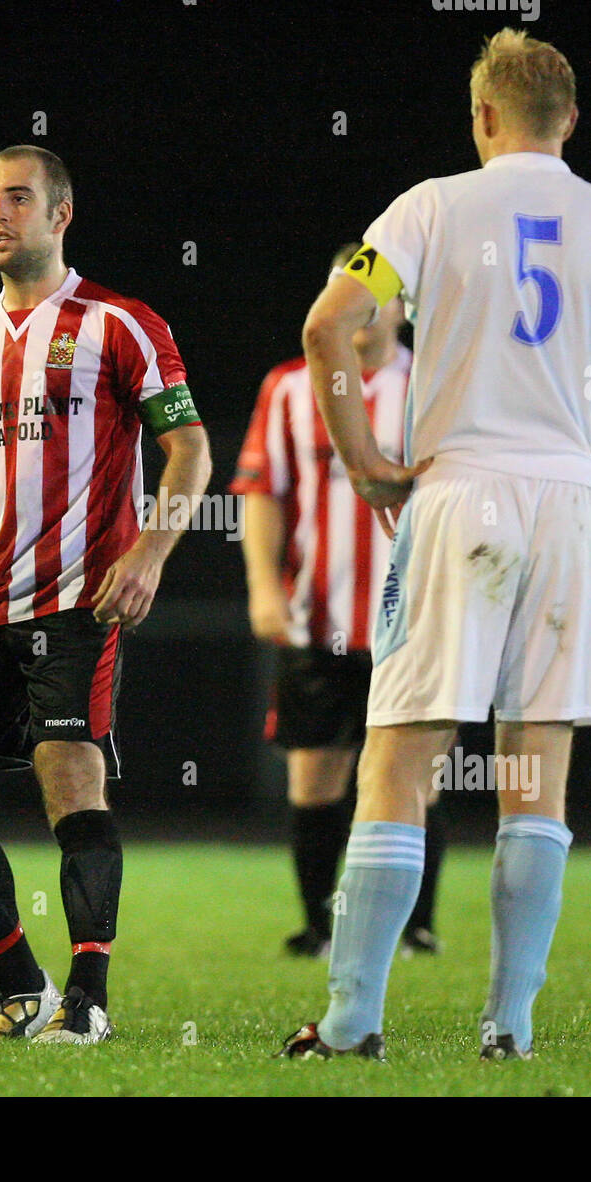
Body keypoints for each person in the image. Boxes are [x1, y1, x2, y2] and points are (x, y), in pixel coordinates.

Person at [278, 27, 591, 1061]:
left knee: (398, 761)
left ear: (482, 117)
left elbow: (330, 327)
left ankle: (352, 1021)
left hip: (457, 496)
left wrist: (366, 457)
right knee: (533, 771)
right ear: (573, 122)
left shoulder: (424, 205)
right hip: (572, 509)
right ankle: (509, 1027)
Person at [0, 144, 211, 1044]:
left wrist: (152, 551)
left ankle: (88, 997)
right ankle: (21, 981)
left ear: (61, 213)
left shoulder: (122, 324)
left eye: (18, 198)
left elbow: (189, 449)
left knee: (69, 779)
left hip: (77, 601)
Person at [234, 243, 446, 960]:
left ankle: (415, 927)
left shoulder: (437, 383)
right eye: (342, 290)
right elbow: (262, 492)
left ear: (402, 304)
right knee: (316, 772)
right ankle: (320, 924)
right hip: (317, 617)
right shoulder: (291, 387)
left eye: (374, 291)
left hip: (416, 619)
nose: (358, 306)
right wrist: (264, 587)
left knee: (420, 774)